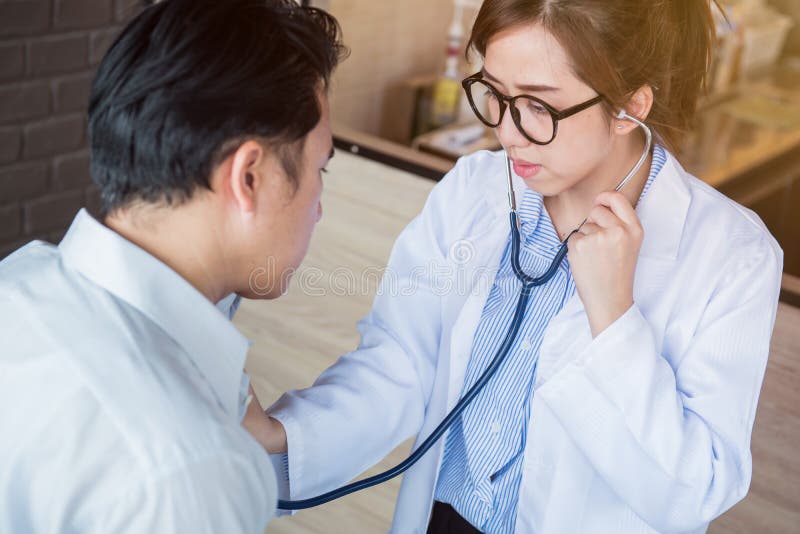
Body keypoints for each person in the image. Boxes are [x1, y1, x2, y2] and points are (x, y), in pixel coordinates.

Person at [250, 0, 784, 532]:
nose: (507, 132)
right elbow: (401, 363)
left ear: (630, 105)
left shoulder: (732, 256)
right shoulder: (472, 189)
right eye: (496, 95)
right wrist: (283, 438)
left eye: (538, 107)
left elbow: (692, 495)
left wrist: (614, 318)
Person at [0, 0, 345, 531]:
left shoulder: (17, 285)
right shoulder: (191, 472)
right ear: (249, 178)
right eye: (320, 168)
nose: (319, 206)